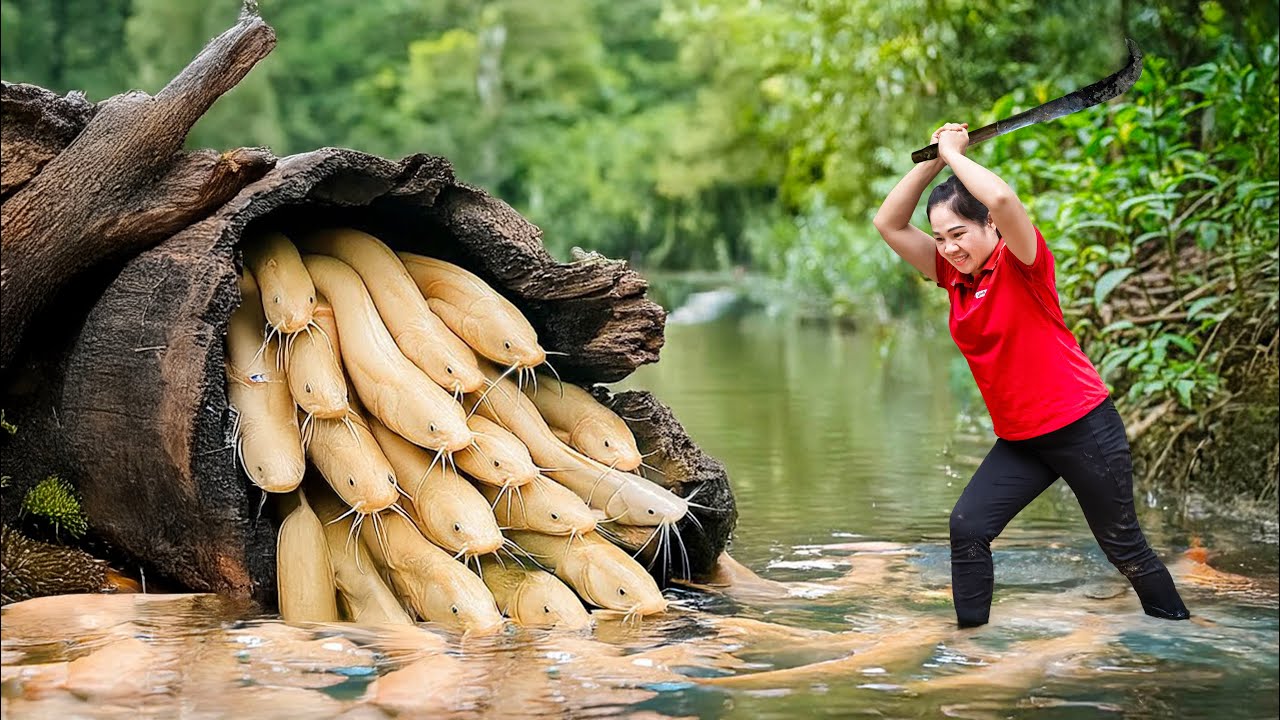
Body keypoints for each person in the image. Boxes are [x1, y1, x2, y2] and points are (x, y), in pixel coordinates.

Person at [872, 122, 1190, 627]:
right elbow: (888, 223)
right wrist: (933, 160)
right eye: (940, 237)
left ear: (989, 230)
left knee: (1124, 548)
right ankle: (969, 649)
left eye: (960, 234)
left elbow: (999, 198)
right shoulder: (953, 276)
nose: (950, 247)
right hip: (1023, 440)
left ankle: (1182, 637)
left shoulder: (1022, 263)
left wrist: (957, 155)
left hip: (1082, 426)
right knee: (968, 526)